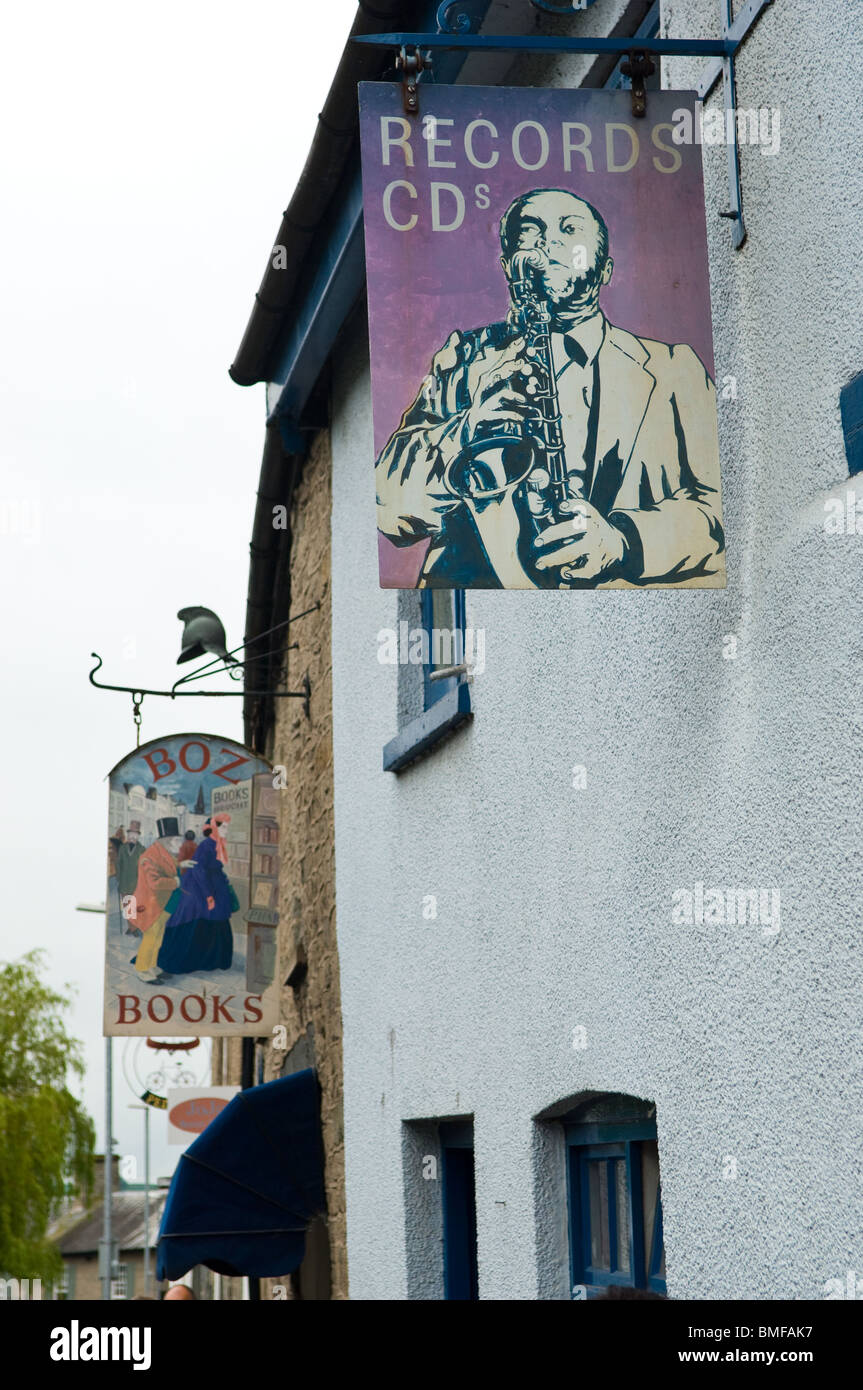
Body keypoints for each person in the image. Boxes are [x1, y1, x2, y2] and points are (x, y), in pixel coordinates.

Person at [375, 188, 725, 589]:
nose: (548, 240)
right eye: (530, 230)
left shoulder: (674, 369)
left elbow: (720, 509)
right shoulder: (462, 358)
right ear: (509, 266)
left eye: (569, 229)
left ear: (606, 269)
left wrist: (622, 542)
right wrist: (465, 430)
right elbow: (389, 508)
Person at [156, 832, 239, 977]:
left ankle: (215, 958)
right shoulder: (203, 846)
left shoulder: (210, 845)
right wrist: (207, 894)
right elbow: (195, 869)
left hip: (203, 885)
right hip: (193, 887)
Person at [129, 818, 183, 983]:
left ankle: (151, 965)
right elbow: (155, 882)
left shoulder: (163, 851)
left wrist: (182, 864)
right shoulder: (150, 856)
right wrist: (176, 882)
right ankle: (142, 970)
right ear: (167, 840)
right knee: (151, 937)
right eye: (176, 840)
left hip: (161, 905)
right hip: (150, 904)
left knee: (158, 937)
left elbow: (170, 865)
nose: (179, 843)